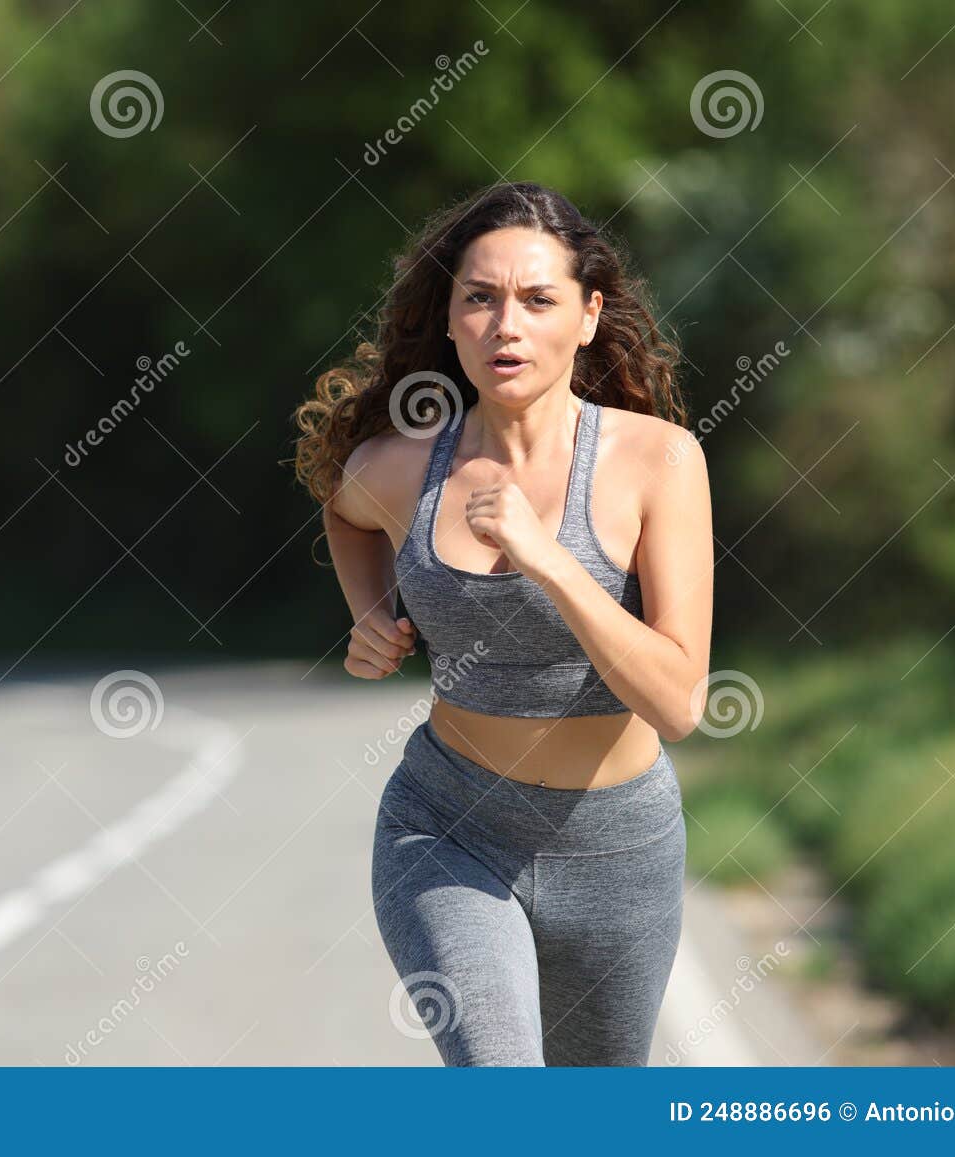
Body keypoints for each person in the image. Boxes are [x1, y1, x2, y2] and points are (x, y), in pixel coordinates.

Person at [290, 181, 713, 1065]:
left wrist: (549, 557)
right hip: (447, 829)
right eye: (479, 299)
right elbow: (344, 508)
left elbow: (677, 701)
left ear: (589, 315)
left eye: (537, 299)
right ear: (449, 321)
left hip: (618, 850)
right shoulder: (402, 467)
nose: (504, 325)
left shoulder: (657, 461)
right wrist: (369, 614)